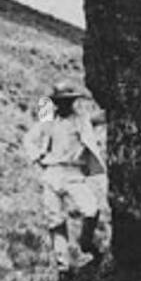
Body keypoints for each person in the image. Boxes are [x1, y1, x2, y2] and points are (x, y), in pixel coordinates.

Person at [23, 81, 106, 270]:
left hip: (73, 172)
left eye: (68, 101)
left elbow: (97, 120)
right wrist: (38, 157)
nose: (64, 105)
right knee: (55, 219)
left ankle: (86, 244)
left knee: (91, 209)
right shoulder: (48, 121)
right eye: (60, 102)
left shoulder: (81, 120)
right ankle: (63, 264)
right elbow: (29, 139)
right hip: (52, 173)